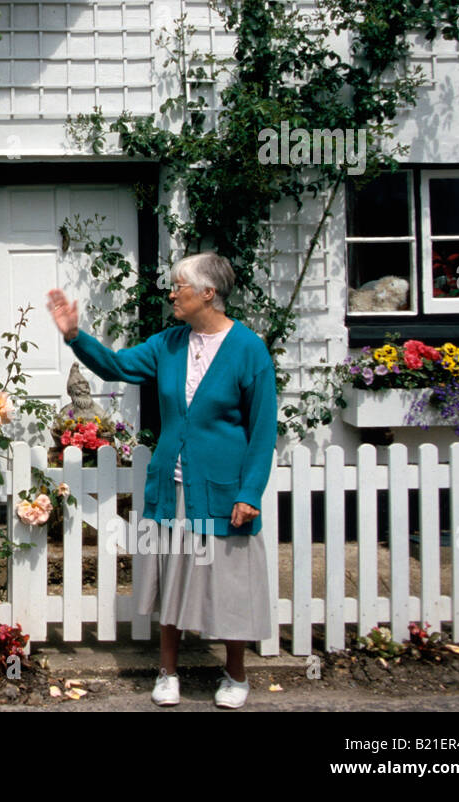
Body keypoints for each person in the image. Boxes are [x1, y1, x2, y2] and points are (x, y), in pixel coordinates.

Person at [46, 252, 277, 709]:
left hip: (222, 490)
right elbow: (116, 366)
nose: (171, 293)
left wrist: (250, 492)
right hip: (169, 485)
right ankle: (167, 672)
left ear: (208, 293)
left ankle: (235, 675)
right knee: (170, 574)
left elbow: (263, 427)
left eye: (180, 286)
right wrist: (74, 335)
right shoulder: (169, 343)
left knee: (227, 583)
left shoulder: (249, 349)